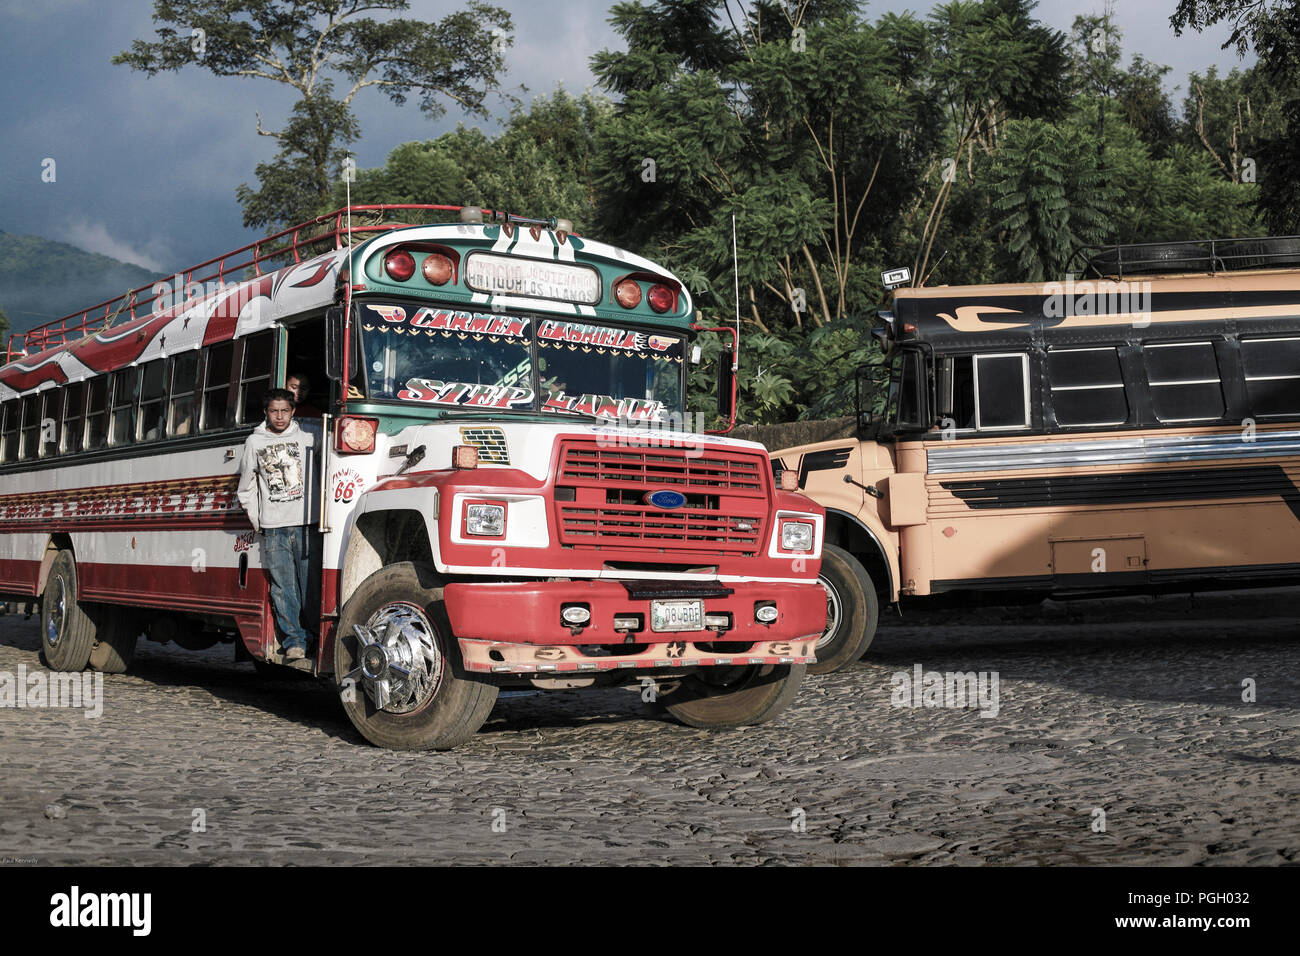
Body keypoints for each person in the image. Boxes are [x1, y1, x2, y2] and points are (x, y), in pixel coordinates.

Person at [236, 389, 316, 661]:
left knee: (311, 585)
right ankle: (295, 641)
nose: (279, 416)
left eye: (284, 411)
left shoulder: (309, 438)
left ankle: (315, 639)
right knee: (283, 588)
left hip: (307, 523)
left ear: (293, 411)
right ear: (265, 413)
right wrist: (258, 520)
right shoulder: (254, 442)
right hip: (274, 527)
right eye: (274, 411)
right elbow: (245, 486)